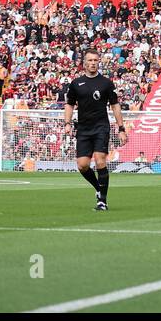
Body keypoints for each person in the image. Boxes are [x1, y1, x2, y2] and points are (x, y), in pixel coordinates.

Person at [62, 50, 128, 211]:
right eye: (90, 60)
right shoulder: (76, 83)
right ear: (84, 63)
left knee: (100, 161)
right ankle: (99, 188)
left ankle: (102, 201)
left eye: (96, 60)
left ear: (99, 62)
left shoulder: (106, 83)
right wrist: (67, 123)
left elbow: (115, 105)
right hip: (83, 128)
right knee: (83, 165)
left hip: (101, 127)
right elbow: (70, 104)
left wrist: (121, 128)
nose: (93, 63)